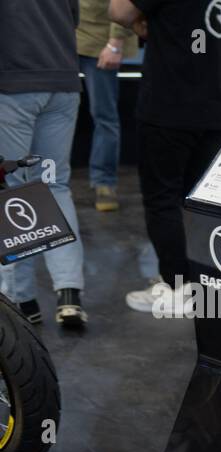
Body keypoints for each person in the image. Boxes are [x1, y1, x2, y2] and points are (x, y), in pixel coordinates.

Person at [110, 0, 221, 316]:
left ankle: (178, 286)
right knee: (199, 203)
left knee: (162, 199)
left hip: (170, 105)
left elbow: (118, 11)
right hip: (214, 104)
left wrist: (140, 20)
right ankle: (201, 283)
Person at [0, 0, 88, 328]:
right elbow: (74, 17)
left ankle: (19, 302)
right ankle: (69, 293)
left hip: (13, 88)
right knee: (53, 185)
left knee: (14, 190)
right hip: (62, 84)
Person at [78, 0, 138, 213]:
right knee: (49, 113)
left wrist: (115, 42)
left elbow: (126, 4)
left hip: (100, 39)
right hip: (60, 37)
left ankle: (104, 183)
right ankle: (43, 183)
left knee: (104, 116)